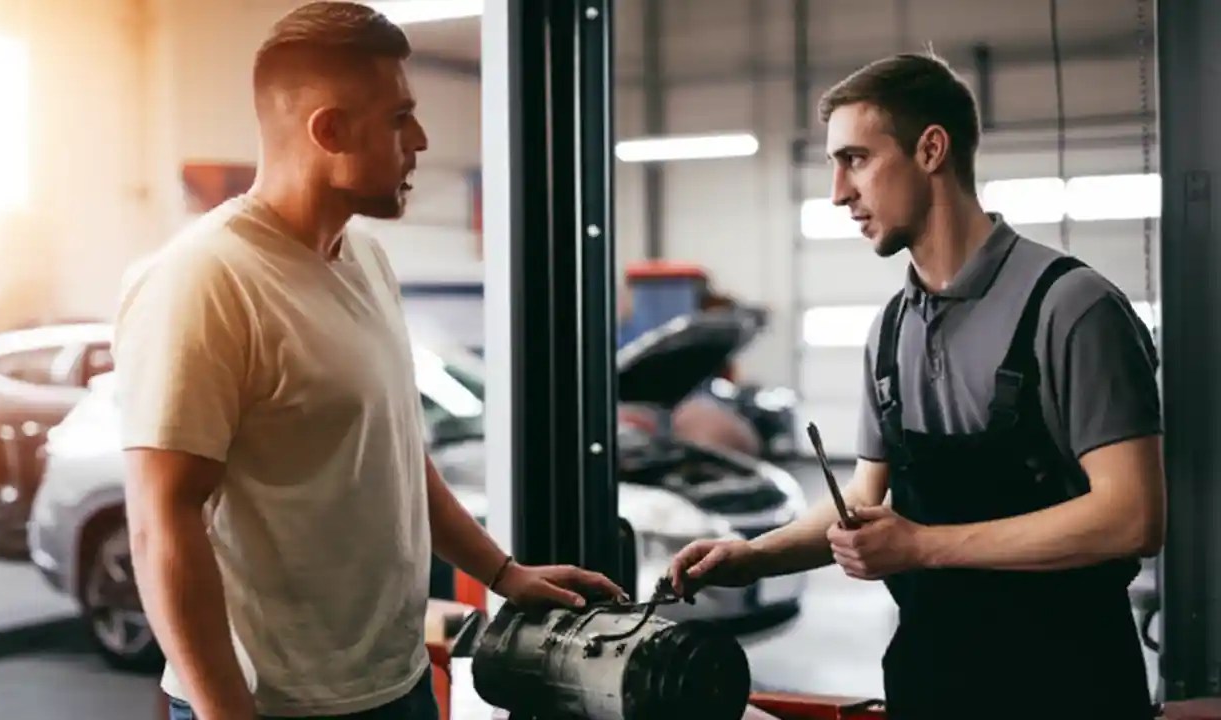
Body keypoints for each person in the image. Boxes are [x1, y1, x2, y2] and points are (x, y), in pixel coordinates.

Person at [114, 4, 624, 719]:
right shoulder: (206, 279)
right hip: (275, 706)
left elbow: (393, 454)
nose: (419, 140)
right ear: (330, 131)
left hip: (396, 683)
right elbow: (162, 520)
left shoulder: (364, 259)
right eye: (400, 118)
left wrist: (503, 573)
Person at [668, 52, 1165, 719]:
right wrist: (748, 558)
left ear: (932, 149)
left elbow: (1132, 515)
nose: (839, 192)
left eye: (856, 160)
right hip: (930, 684)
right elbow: (861, 504)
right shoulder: (890, 329)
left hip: (1068, 688)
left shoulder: (1070, 309)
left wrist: (924, 545)